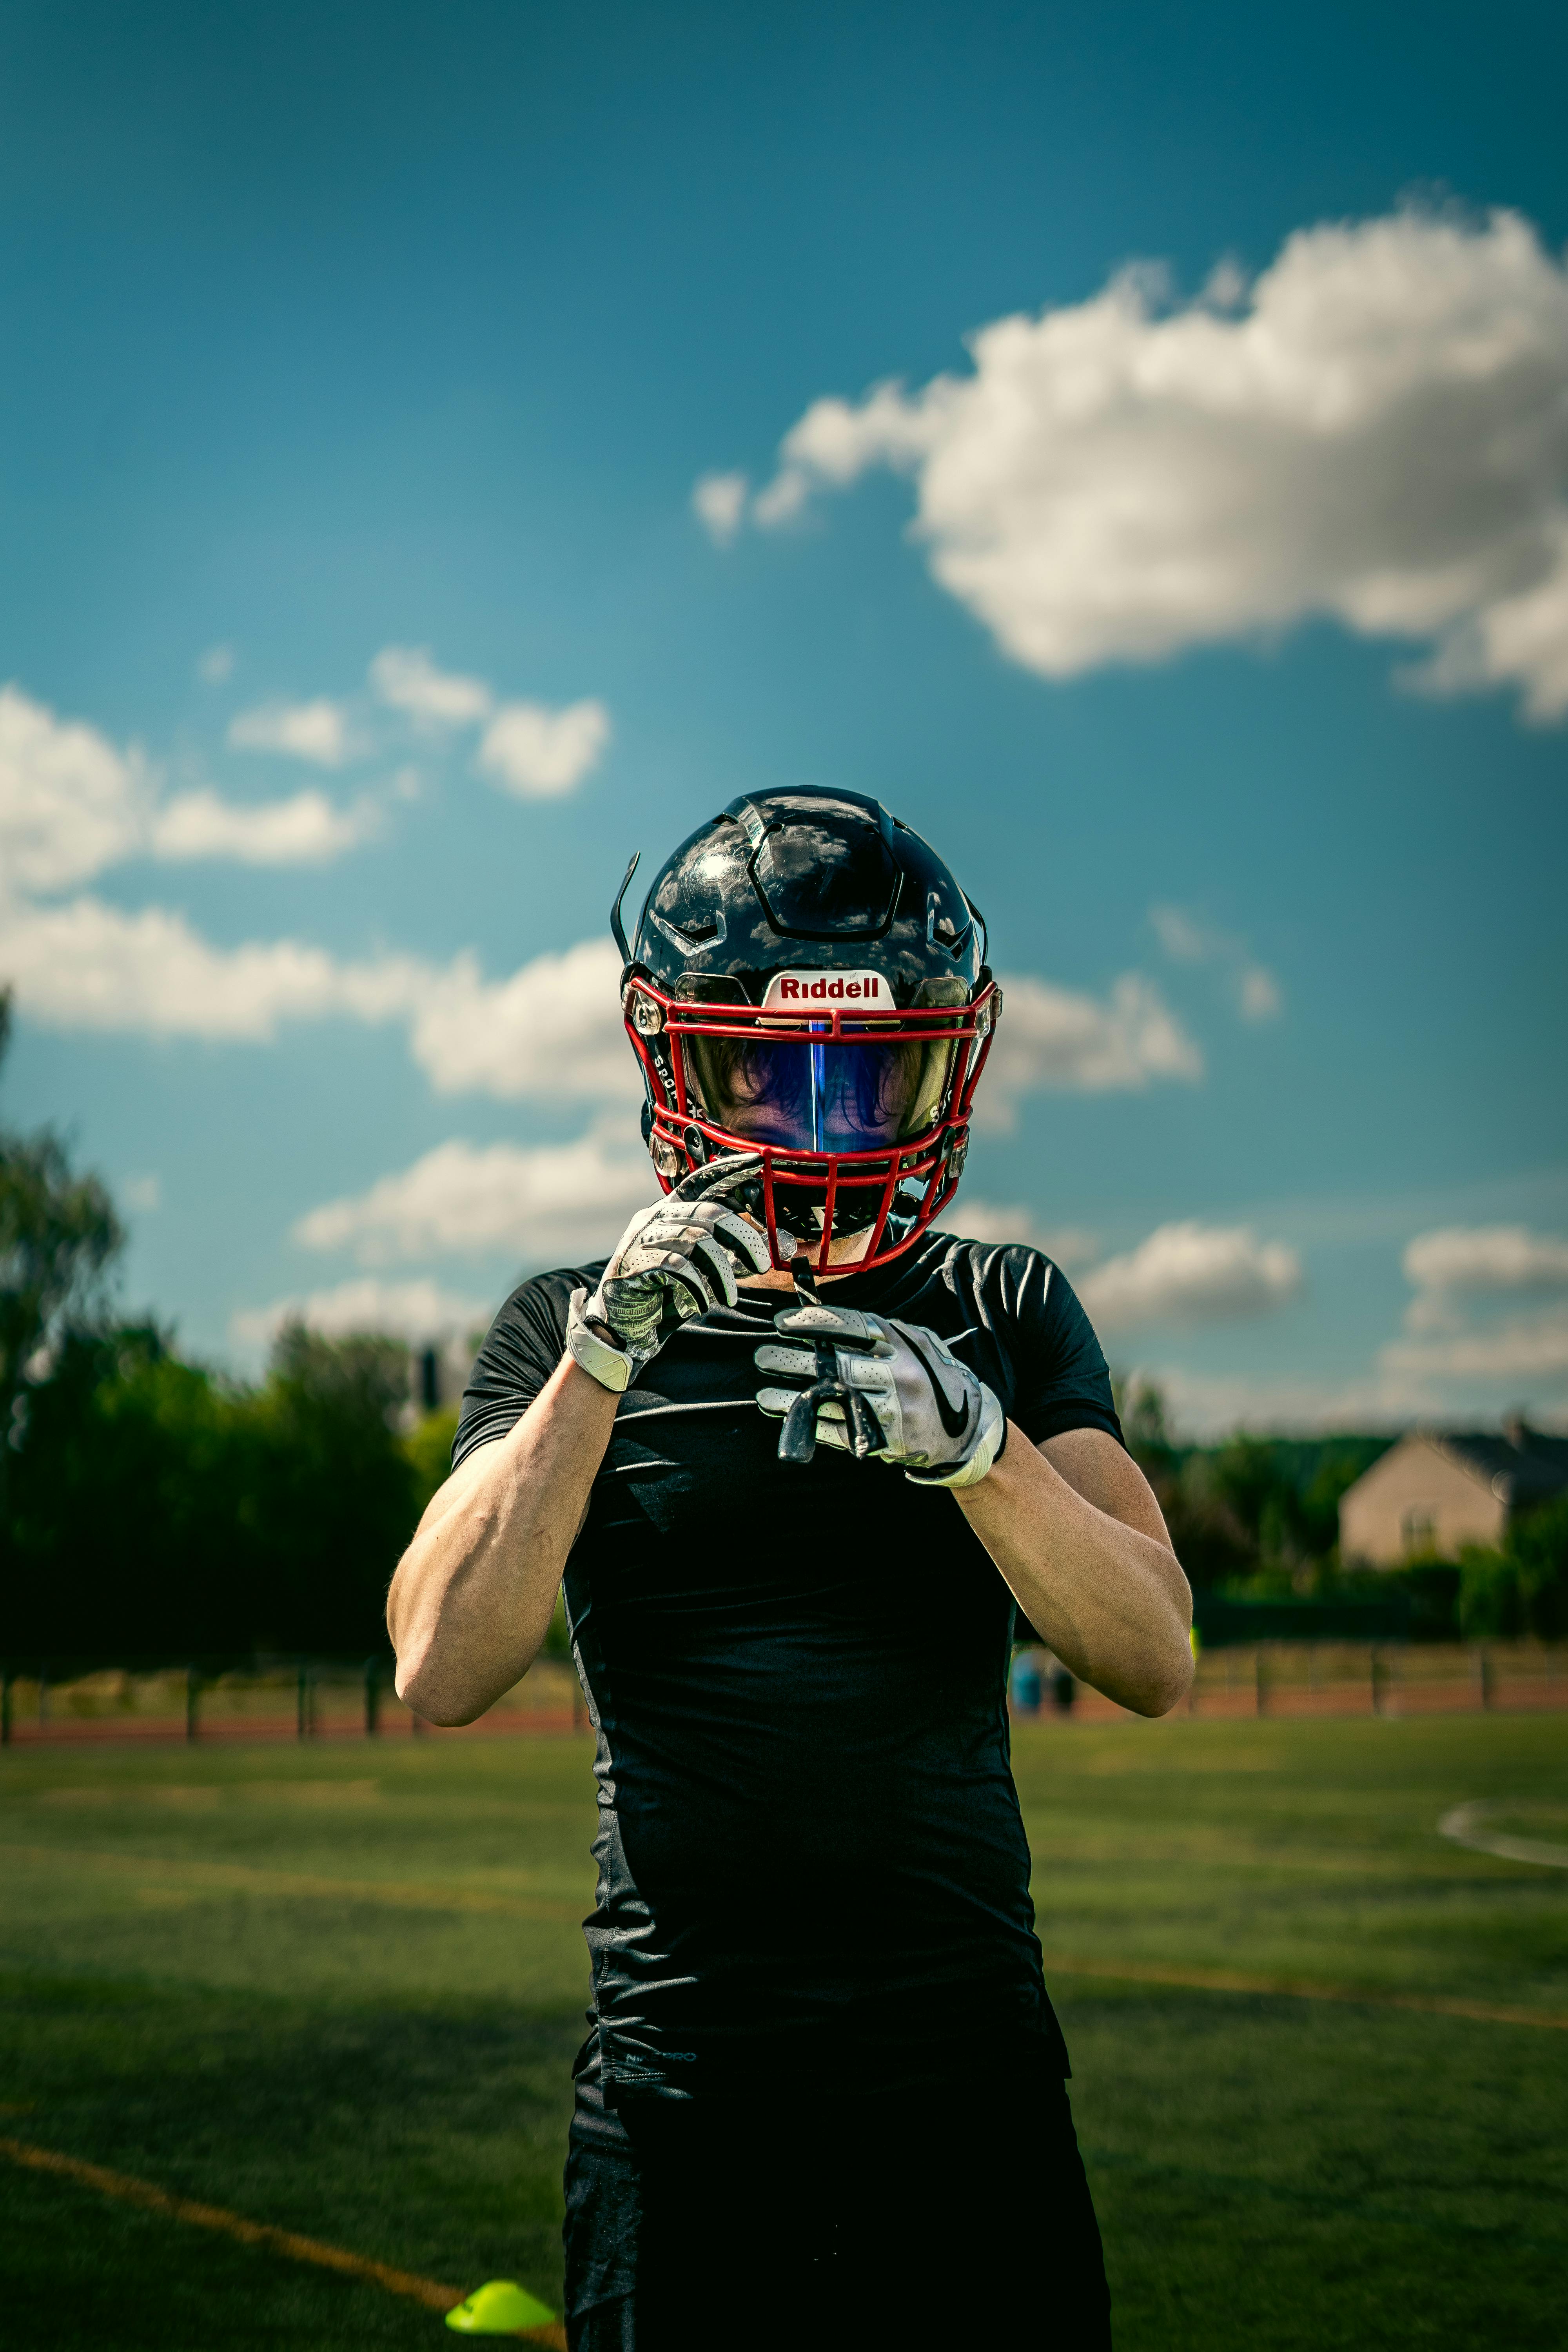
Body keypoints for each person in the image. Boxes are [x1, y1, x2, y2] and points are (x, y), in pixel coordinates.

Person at [387, 786, 1194, 2351]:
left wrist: (982, 1454)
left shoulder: (1001, 1307)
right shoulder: (571, 1315)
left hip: (966, 2100)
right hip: (682, 2111)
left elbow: (1153, 1652)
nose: (817, 1125)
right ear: (683, 1062)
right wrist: (597, 1365)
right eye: (772, 1070)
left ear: (936, 1072)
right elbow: (441, 1661)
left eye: (865, 1078)